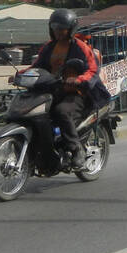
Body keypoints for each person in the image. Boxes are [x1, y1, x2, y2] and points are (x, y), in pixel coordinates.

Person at [31, 9, 103, 168]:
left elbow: (93, 70)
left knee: (61, 111)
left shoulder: (81, 47)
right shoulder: (48, 47)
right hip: (54, 90)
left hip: (77, 94)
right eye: (55, 28)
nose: (58, 32)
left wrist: (78, 80)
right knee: (35, 111)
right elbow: (36, 67)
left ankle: (76, 149)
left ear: (70, 29)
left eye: (62, 28)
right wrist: (19, 75)